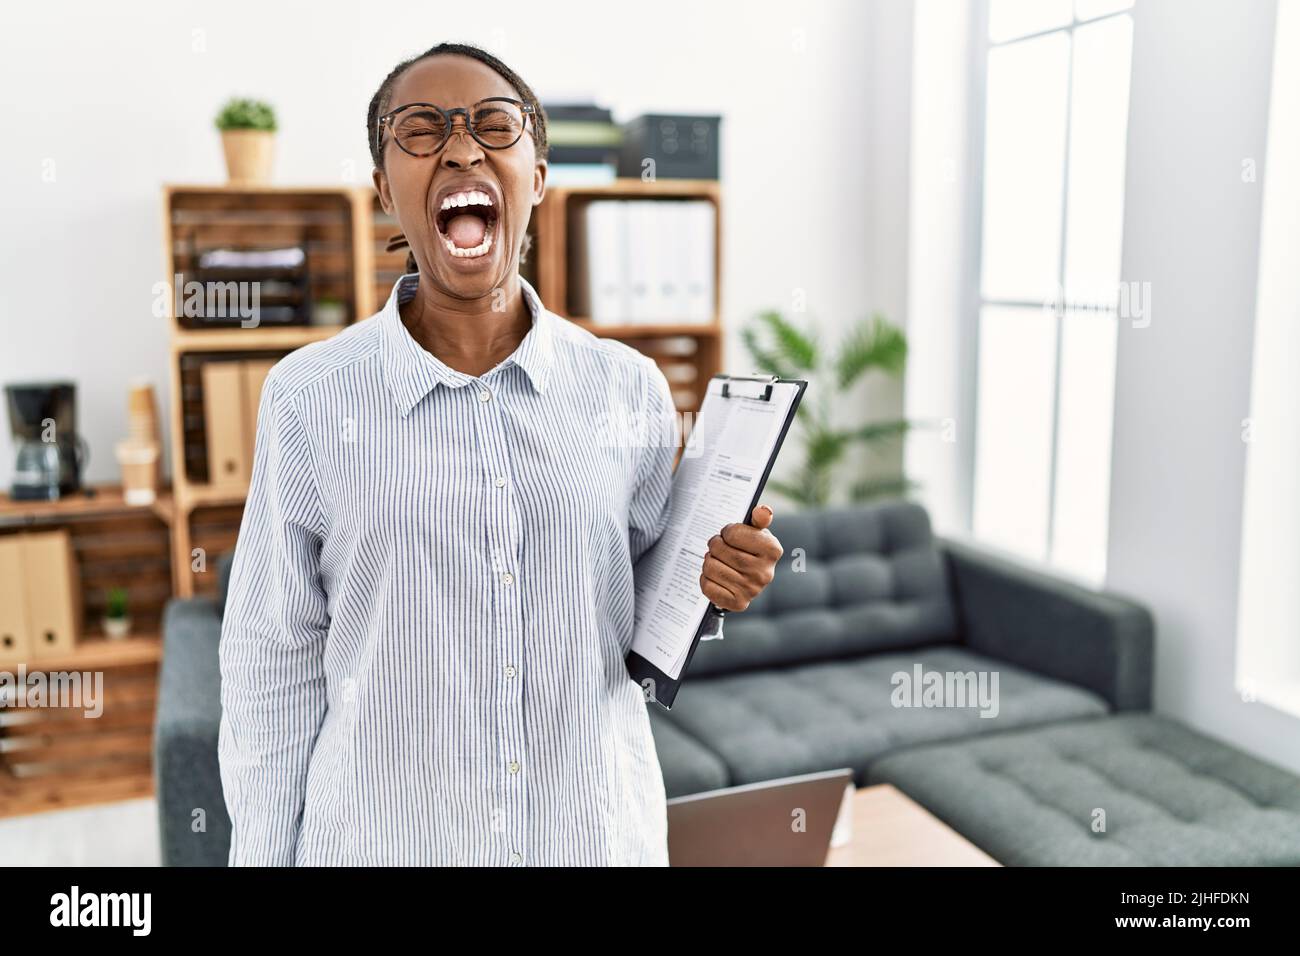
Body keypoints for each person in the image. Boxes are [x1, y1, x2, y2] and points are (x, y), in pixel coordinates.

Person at [217, 42, 784, 866]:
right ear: (384, 190)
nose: (460, 146)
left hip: (591, 837)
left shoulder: (628, 389)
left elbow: (651, 605)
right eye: (420, 130)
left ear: (539, 177)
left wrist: (722, 578)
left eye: (493, 124)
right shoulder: (309, 398)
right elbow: (271, 663)